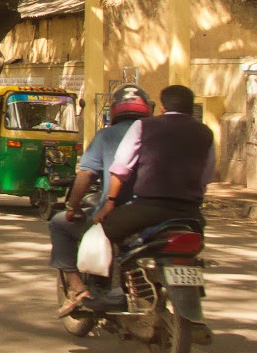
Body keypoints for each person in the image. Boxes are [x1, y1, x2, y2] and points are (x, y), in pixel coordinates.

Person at [52, 85, 152, 317]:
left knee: (60, 225)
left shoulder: (106, 136)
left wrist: (71, 207)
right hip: (161, 210)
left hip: (118, 211)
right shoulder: (157, 134)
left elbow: (86, 174)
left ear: (115, 110)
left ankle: (79, 290)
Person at [94, 84, 216, 244]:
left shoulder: (143, 125)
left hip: (148, 208)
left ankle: (118, 268)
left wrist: (110, 202)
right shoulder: (206, 133)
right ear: (192, 108)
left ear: (163, 107)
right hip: (189, 213)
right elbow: (205, 178)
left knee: (103, 232)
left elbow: (120, 168)